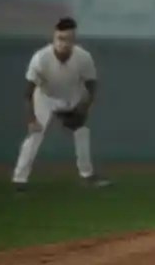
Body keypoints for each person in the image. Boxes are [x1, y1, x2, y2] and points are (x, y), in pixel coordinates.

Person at [11, 17, 110, 190]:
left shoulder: (83, 57)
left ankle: (87, 175)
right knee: (35, 135)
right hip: (45, 98)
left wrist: (83, 109)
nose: (64, 43)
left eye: (68, 39)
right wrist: (31, 119)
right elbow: (28, 93)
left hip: (72, 97)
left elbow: (92, 86)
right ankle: (19, 179)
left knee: (82, 132)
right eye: (60, 38)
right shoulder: (41, 58)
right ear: (54, 38)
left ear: (74, 41)